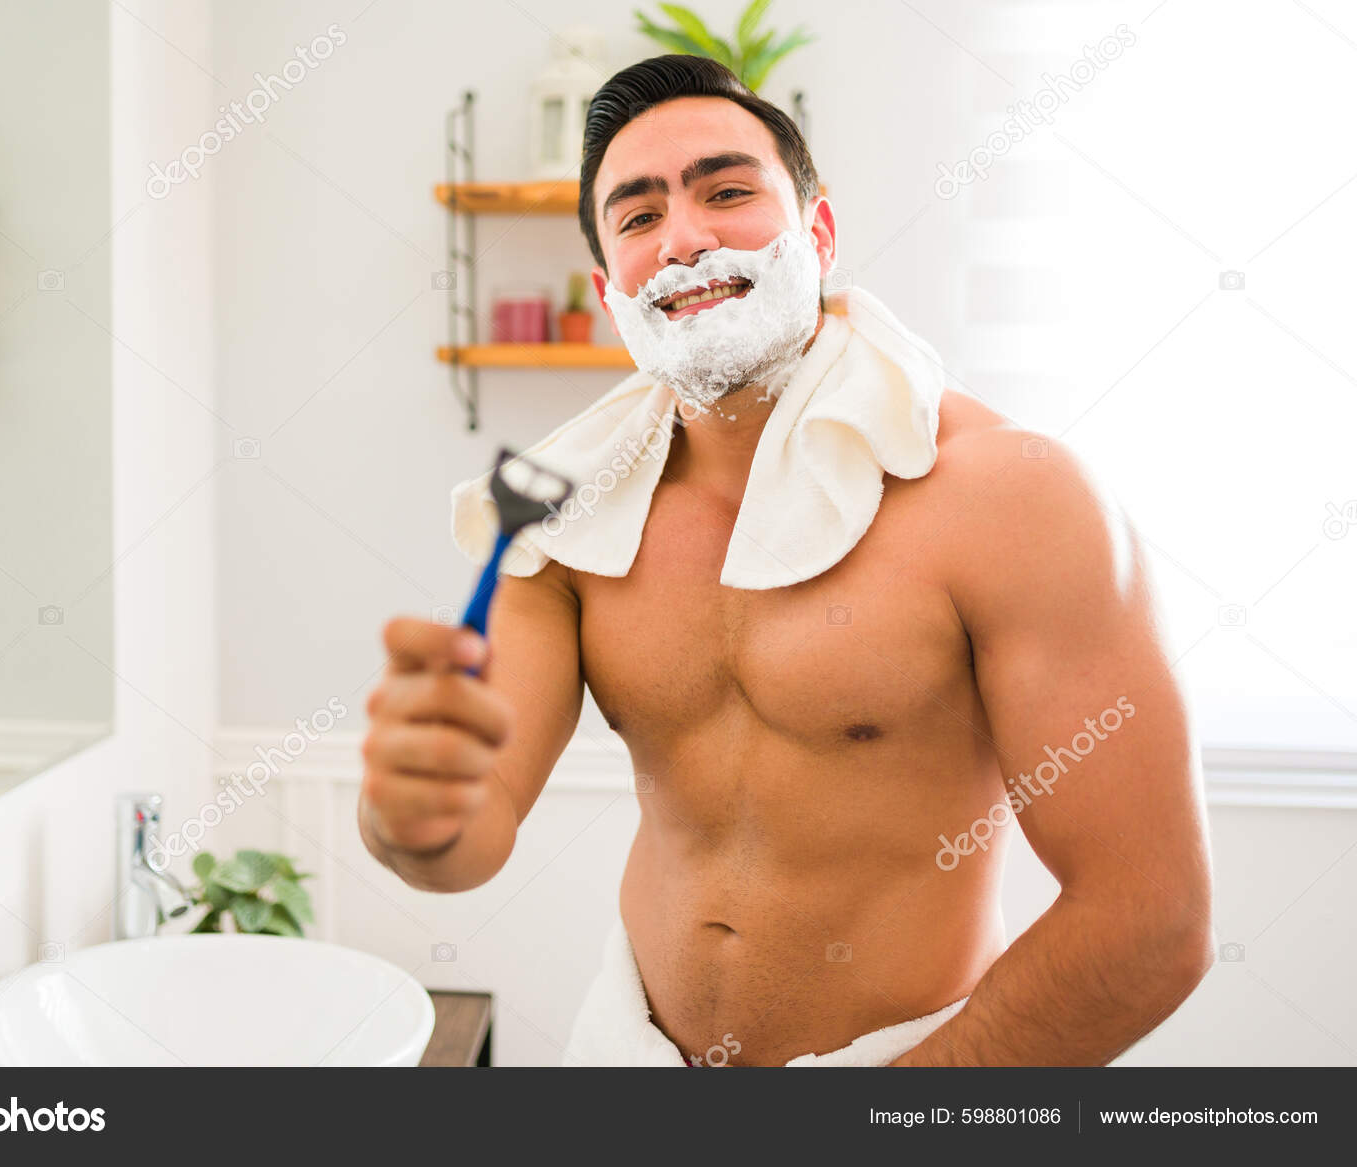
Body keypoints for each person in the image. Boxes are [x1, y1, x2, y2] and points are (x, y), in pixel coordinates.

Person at [359, 55, 1213, 1066]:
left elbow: (1149, 919)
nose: (683, 237)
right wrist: (404, 814)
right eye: (637, 219)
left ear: (817, 232)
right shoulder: (566, 512)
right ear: (609, 291)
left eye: (726, 192)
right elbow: (467, 840)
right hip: (620, 1047)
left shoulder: (1011, 497)